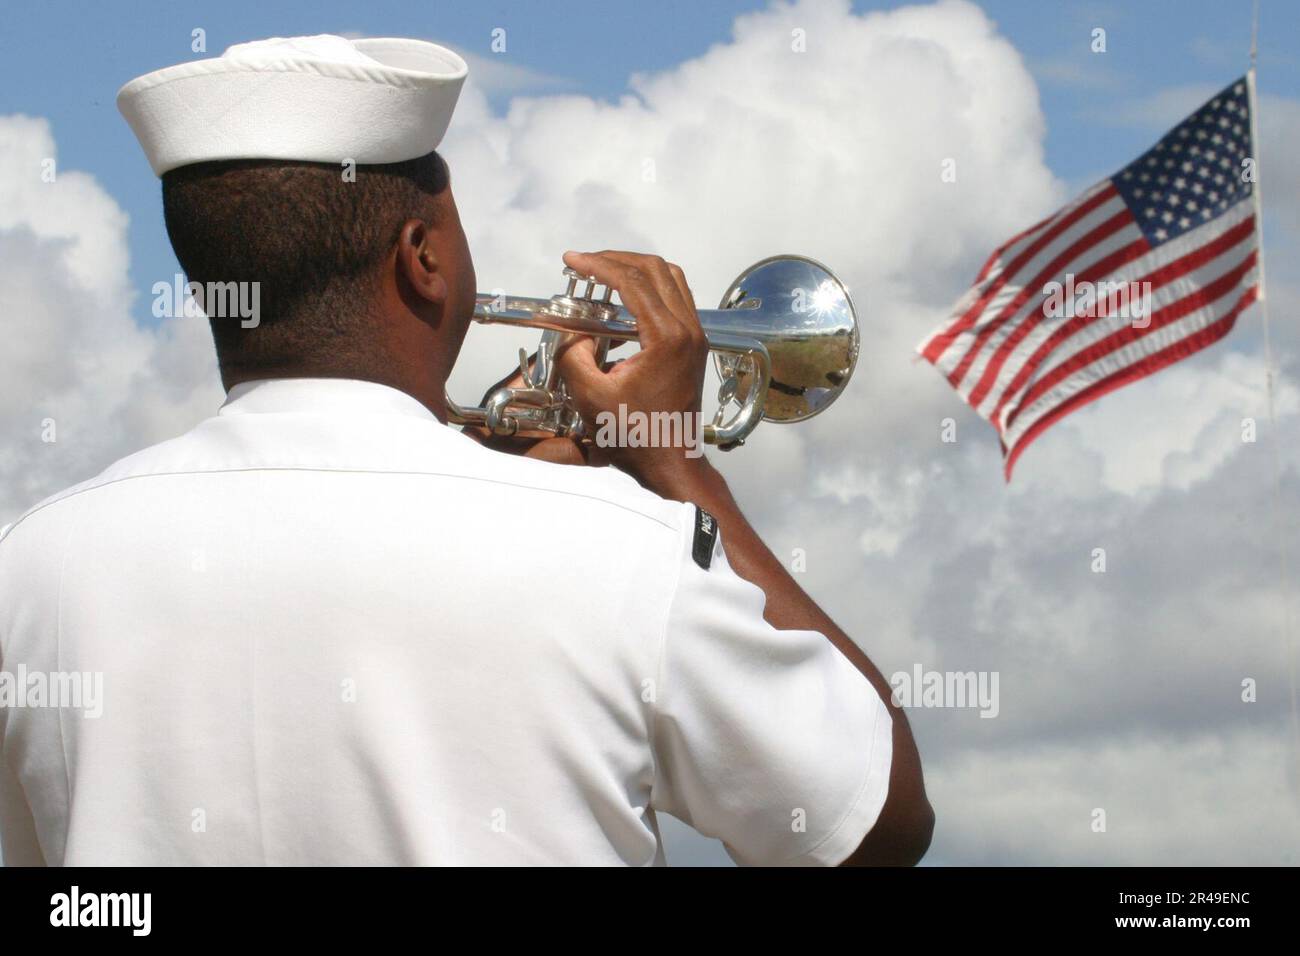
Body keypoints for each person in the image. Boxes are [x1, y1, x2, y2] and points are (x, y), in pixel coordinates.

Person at [0, 35, 932, 866]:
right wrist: (673, 466)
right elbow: (876, 825)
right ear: (424, 257)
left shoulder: (34, 565)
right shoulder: (617, 549)